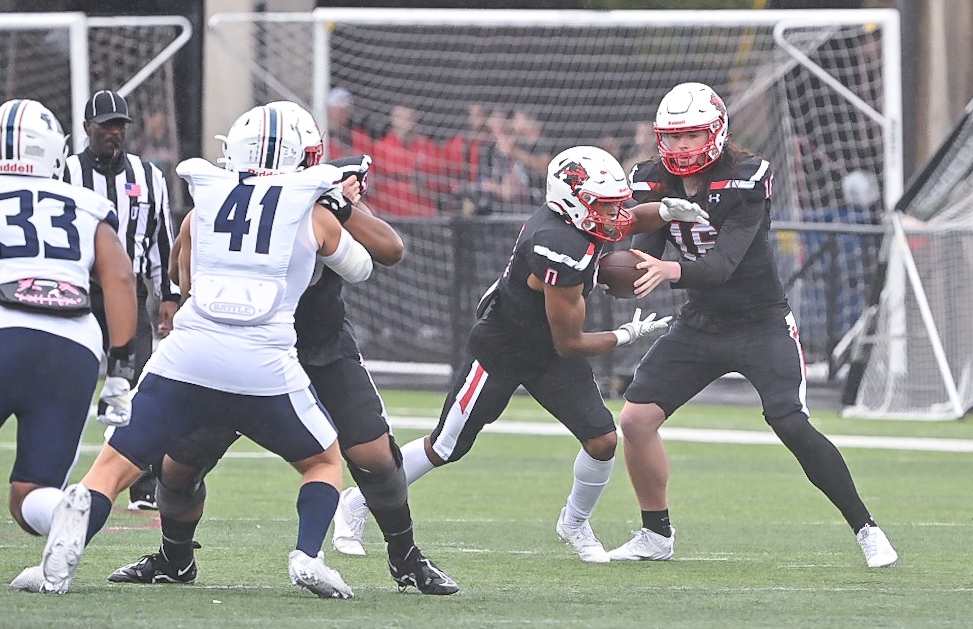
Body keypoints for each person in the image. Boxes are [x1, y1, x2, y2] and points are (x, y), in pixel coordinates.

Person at [11, 102, 375, 597]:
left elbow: (182, 275)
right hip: (263, 363)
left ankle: (57, 565)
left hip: (188, 355)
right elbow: (363, 267)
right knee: (323, 463)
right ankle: (307, 555)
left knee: (112, 468)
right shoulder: (313, 208)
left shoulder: (207, 198)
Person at [106, 103, 459, 596]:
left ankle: (405, 557)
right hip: (239, 349)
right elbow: (182, 269)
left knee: (375, 456)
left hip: (316, 348)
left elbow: (391, 249)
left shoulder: (319, 202)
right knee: (177, 467)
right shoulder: (220, 200)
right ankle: (175, 558)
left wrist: (342, 205)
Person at [333, 145, 709, 563]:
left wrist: (667, 211)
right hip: (503, 348)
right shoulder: (557, 244)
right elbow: (570, 342)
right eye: (604, 206)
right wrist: (624, 335)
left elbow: (626, 220)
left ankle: (574, 521)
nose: (615, 215)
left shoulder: (578, 221)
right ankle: (356, 502)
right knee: (446, 446)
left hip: (546, 352)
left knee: (602, 439)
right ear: (574, 203)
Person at [604, 82, 899, 568]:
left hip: (760, 321)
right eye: (672, 138)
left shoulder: (745, 176)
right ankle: (656, 534)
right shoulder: (652, 179)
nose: (679, 148)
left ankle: (866, 528)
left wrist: (669, 271)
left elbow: (722, 266)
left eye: (690, 136)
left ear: (716, 134)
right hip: (700, 322)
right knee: (635, 420)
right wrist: (605, 270)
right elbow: (644, 256)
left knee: (789, 422)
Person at [0, 99, 137, 583]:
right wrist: (122, 369)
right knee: (32, 492)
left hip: (4, 336)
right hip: (76, 347)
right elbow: (121, 280)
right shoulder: (85, 203)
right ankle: (61, 515)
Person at [63, 89, 180, 511]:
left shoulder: (149, 177)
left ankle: (144, 483)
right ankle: (55, 474)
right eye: (105, 125)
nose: (113, 133)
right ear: (86, 128)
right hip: (75, 293)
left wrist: (170, 294)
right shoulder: (65, 173)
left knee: (139, 390)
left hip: (129, 295)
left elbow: (163, 239)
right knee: (67, 384)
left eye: (119, 126)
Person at [368, 104, 441, 217]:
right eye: (401, 118)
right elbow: (371, 183)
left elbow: (441, 181)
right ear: (393, 120)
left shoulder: (428, 147)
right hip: (389, 214)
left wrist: (424, 183)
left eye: (408, 118)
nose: (405, 123)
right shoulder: (380, 148)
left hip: (422, 214)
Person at [325, 87, 372, 160]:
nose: (342, 113)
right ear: (329, 110)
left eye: (346, 109)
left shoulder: (360, 136)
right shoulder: (322, 135)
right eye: (338, 109)